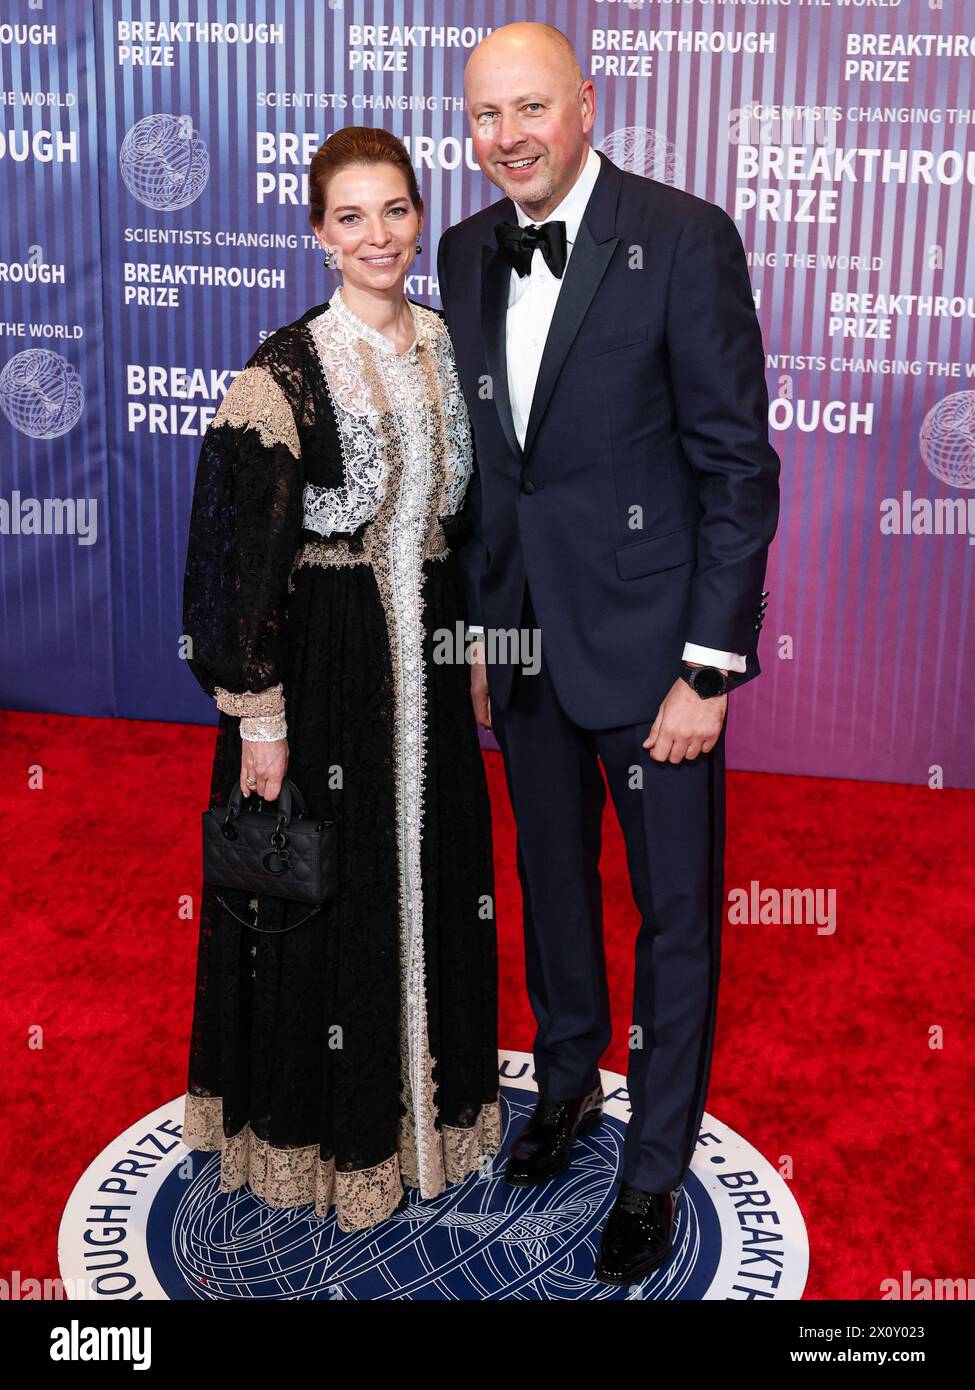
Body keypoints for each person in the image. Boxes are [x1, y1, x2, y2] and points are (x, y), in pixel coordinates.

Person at [437, 23, 780, 1284]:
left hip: (654, 659)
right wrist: (482, 631)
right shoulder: (468, 249)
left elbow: (739, 467)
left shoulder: (684, 237)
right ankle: (569, 1081)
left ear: (587, 103)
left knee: (675, 914)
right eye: (484, 116)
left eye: (530, 107)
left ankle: (655, 1162)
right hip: (525, 641)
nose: (508, 136)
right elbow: (492, 480)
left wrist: (707, 669)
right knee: (551, 881)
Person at [179, 126, 500, 1234]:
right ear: (317, 233)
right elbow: (232, 560)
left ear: (420, 216)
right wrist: (259, 717)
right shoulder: (283, 369)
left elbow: (464, 529)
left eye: (397, 211)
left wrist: (468, 667)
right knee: (329, 886)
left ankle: (435, 1116)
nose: (379, 236)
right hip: (321, 668)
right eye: (351, 216)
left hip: (430, 657)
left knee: (438, 869)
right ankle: (326, 1133)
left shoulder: (453, 347)